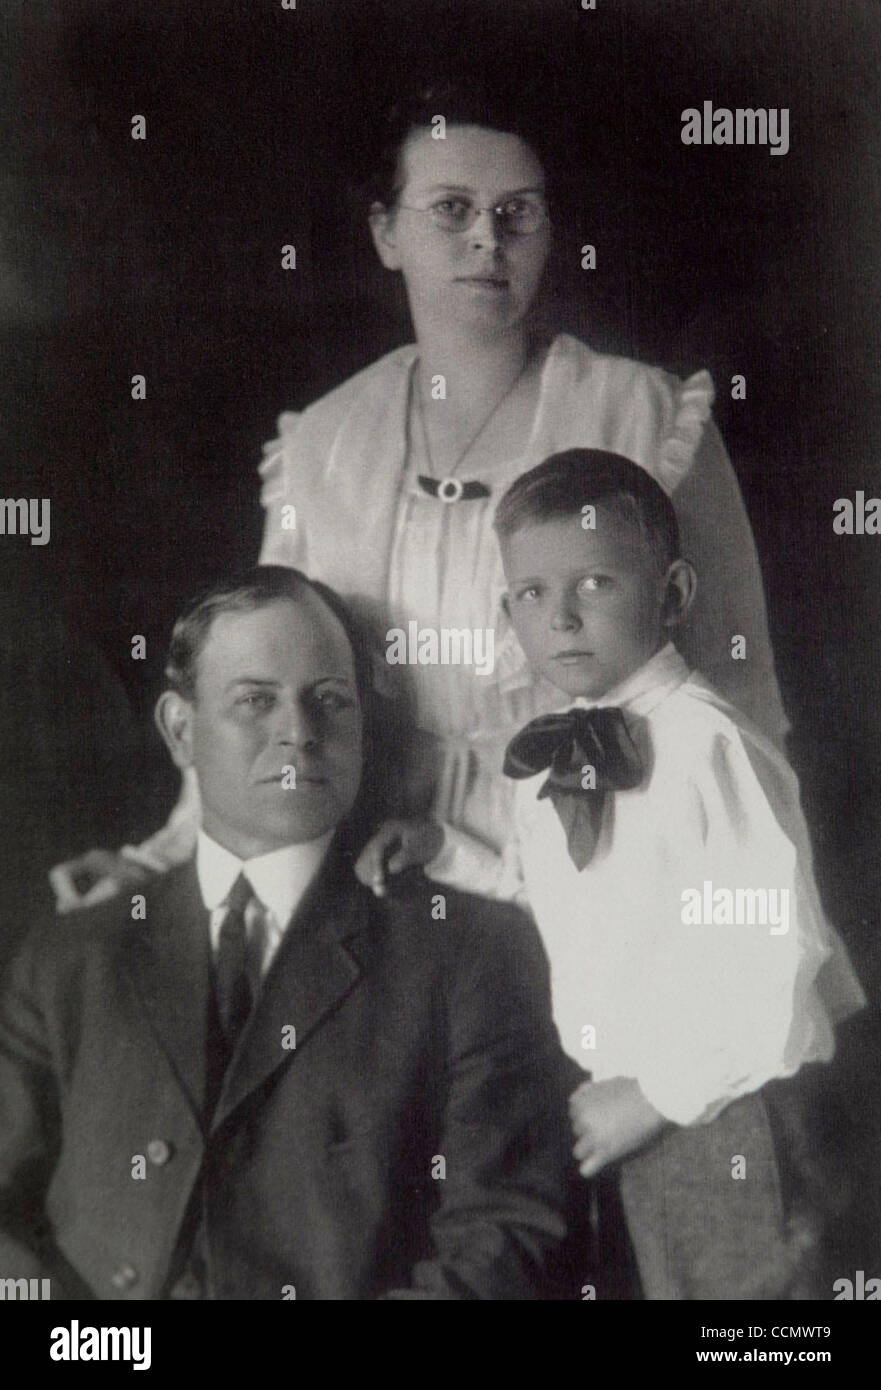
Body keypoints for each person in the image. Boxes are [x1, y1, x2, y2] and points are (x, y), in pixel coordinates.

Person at [51, 80, 788, 916]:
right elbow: (255, 679)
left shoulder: (643, 416)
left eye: (518, 213)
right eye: (451, 209)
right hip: (375, 870)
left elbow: (742, 691)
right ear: (385, 233)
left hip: (607, 869)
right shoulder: (324, 441)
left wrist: (742, 919)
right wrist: (160, 858)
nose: (487, 240)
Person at [364, 451, 866, 1299]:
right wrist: (444, 849)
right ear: (507, 613)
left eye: (594, 584)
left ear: (671, 595)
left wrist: (655, 1098)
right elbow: (556, 896)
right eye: (532, 594)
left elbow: (777, 960)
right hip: (642, 1113)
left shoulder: (710, 748)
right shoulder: (550, 755)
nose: (560, 618)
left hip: (736, 1104)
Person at [0, 566, 571, 1301]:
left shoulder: (468, 953)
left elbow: (502, 1245)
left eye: (330, 701)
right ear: (181, 729)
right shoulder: (74, 955)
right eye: (255, 701)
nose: (298, 734)